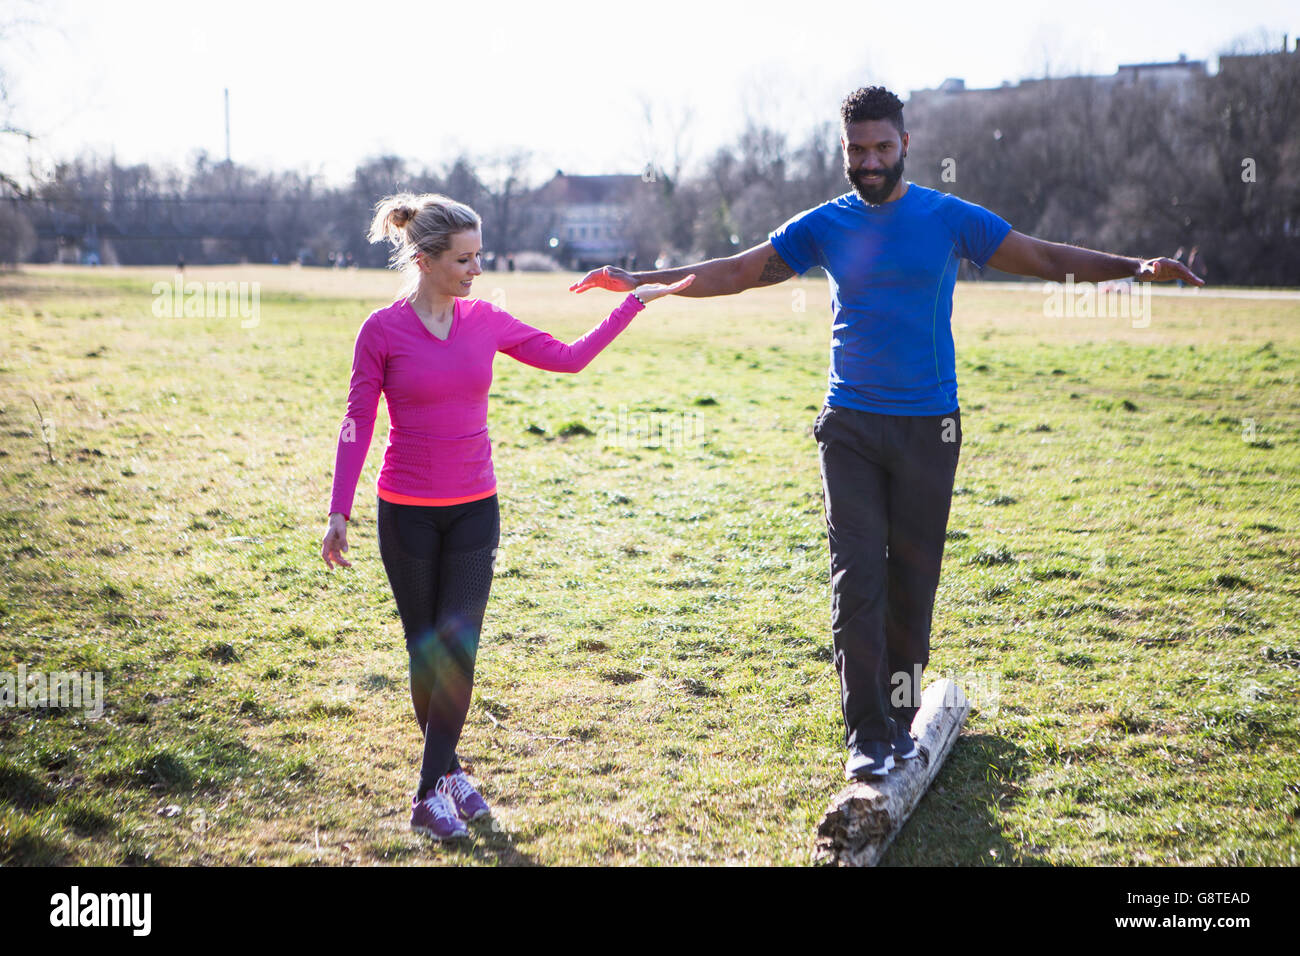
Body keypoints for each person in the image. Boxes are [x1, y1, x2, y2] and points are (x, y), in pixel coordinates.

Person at [571, 86, 1203, 782]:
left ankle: (902, 719)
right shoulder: (824, 225)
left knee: (912, 581)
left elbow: (1045, 259)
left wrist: (1135, 266)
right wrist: (642, 282)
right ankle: (866, 734)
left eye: (881, 148)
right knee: (857, 578)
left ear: (906, 146)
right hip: (850, 426)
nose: (869, 161)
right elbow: (738, 270)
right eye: (856, 150)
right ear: (843, 151)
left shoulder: (949, 218)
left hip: (930, 428)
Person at [321, 193, 692, 839]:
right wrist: (338, 511)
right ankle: (452, 776)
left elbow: (569, 358)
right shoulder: (382, 331)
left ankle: (425, 794)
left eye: (479, 257)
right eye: (464, 260)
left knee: (457, 652)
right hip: (405, 512)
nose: (476, 271)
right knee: (425, 651)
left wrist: (631, 304)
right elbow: (358, 421)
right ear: (425, 257)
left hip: (474, 509)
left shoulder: (486, 321)